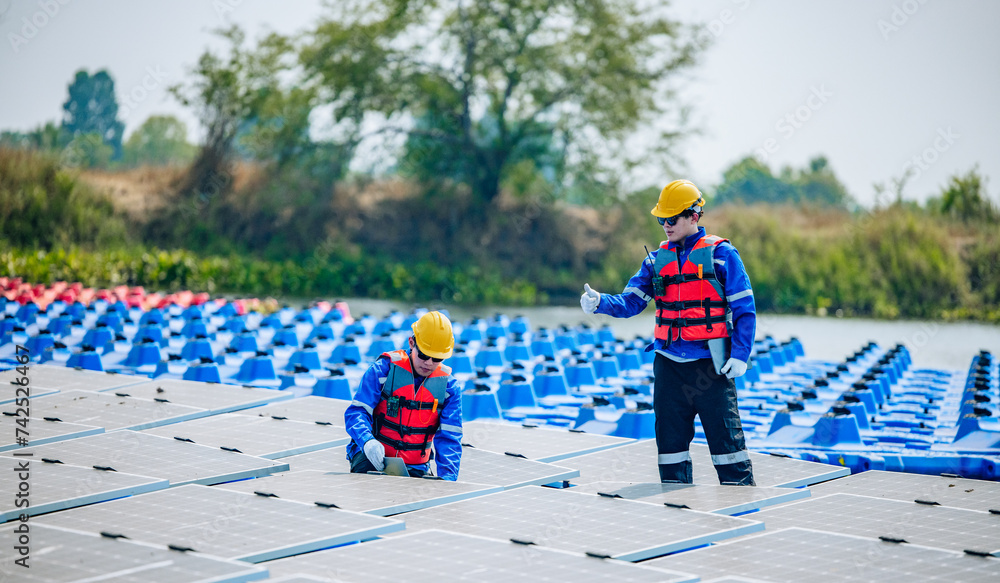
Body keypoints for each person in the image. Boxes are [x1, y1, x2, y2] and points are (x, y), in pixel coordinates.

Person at [580, 179, 756, 486]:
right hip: (669, 368)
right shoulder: (655, 261)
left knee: (729, 451)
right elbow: (631, 302)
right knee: (670, 452)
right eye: (662, 219)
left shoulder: (723, 255)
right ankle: (675, 505)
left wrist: (740, 355)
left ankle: (742, 506)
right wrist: (600, 303)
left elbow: (745, 309)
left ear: (694, 216)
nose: (666, 225)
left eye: (672, 219)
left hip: (711, 369)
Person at [344, 310, 463, 480]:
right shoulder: (382, 371)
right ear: (412, 343)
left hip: (416, 466)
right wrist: (367, 441)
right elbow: (356, 413)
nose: (429, 363)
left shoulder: (449, 389)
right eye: (424, 355)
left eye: (437, 359)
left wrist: (447, 480)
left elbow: (450, 439)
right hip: (372, 457)